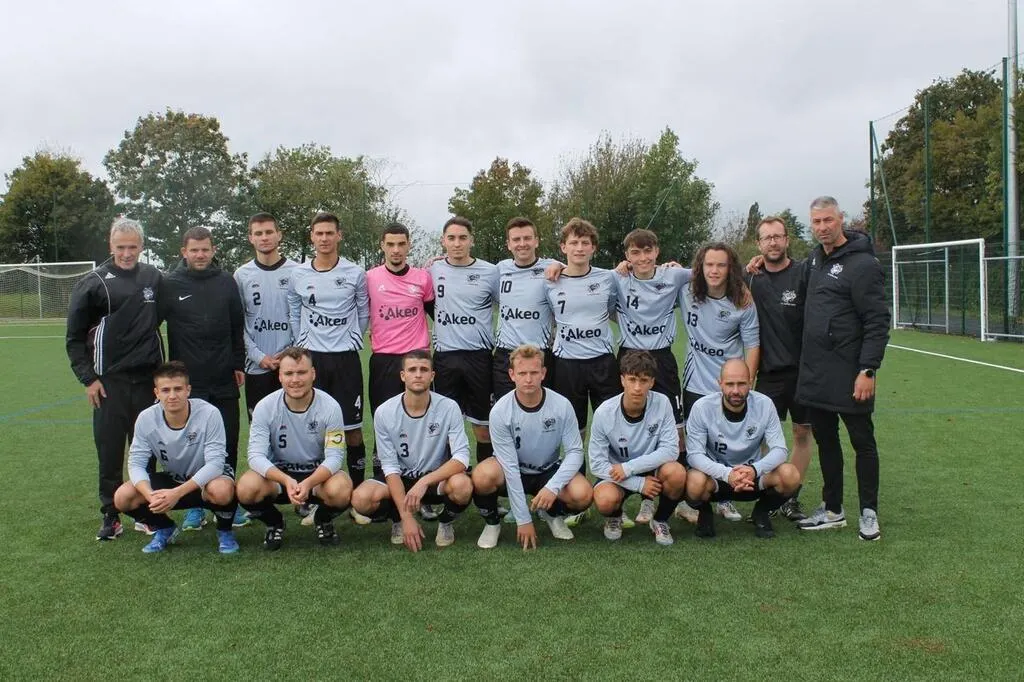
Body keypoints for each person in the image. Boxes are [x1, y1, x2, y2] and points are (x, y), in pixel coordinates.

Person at [795, 196, 889, 541]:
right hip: (817, 372)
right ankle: (833, 509)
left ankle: (869, 512)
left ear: (841, 219)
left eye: (828, 221)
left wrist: (868, 369)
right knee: (826, 442)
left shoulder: (863, 264)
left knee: (862, 442)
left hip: (851, 374)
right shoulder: (814, 261)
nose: (822, 228)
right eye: (816, 222)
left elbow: (877, 321)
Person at [66, 217, 163, 541]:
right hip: (109, 383)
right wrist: (88, 379)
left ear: (141, 247)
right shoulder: (93, 283)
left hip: (148, 380)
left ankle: (145, 511)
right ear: (110, 246)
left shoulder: (152, 277)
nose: (126, 253)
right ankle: (111, 514)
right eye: (120, 247)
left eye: (132, 247)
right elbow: (74, 338)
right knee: (109, 451)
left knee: (146, 449)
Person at [159, 225, 246, 530]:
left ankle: (229, 503)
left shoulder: (226, 282)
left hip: (223, 376)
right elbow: (151, 325)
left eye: (205, 249)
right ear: (184, 252)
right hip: (188, 383)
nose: (200, 255)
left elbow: (238, 326)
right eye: (194, 250)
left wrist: (238, 364)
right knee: (194, 445)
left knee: (227, 441)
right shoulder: (170, 284)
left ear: (213, 250)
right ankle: (196, 504)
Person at [287, 212, 370, 521]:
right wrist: (301, 342)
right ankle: (315, 498)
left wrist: (351, 337)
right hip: (314, 360)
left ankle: (358, 498)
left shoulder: (354, 272)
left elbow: (363, 310)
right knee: (314, 432)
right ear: (312, 237)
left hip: (346, 360)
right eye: (318, 233)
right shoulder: (298, 274)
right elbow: (294, 309)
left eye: (329, 233)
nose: (324, 238)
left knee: (352, 431)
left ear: (339, 235)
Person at [350, 350, 474, 552]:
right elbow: (389, 467)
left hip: (434, 479)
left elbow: (461, 458)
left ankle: (445, 522)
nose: (418, 374)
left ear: (432, 375)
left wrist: (425, 481)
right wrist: (407, 517)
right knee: (361, 499)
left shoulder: (449, 407)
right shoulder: (385, 412)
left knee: (462, 486)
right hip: (401, 478)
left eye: (424, 370)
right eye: (412, 370)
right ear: (403, 375)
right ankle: (398, 519)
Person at [473, 344, 593, 549]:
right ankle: (492, 524)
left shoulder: (561, 405)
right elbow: (509, 467)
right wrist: (523, 520)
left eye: (534, 372)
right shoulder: (501, 410)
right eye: (522, 373)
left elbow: (575, 452)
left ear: (543, 373)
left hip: (547, 470)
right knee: (482, 475)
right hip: (512, 470)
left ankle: (551, 513)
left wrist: (552, 487)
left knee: (582, 494)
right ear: (512, 374)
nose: (528, 379)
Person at [113, 362, 240, 554]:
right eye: (165, 390)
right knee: (123, 497)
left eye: (178, 389)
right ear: (156, 393)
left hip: (209, 481)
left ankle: (224, 531)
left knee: (221, 490)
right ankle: (164, 528)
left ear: (188, 390)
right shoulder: (146, 418)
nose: (172, 396)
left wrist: (177, 494)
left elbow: (215, 464)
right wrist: (150, 495)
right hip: (174, 478)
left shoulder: (209, 413)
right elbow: (136, 462)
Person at [676, 241, 760, 525]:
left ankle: (724, 498)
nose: (714, 270)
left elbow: (753, 344)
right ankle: (693, 502)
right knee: (693, 443)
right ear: (700, 267)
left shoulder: (742, 300)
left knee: (726, 442)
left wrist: (747, 381)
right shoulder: (687, 291)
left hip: (729, 384)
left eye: (721, 265)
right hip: (694, 380)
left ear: (730, 268)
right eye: (708, 264)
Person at [236, 347, 353, 550]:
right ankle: (275, 522)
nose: (295, 379)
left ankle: (323, 519)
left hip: (317, 478)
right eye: (289, 373)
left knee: (341, 489)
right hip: (279, 478)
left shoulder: (330, 406)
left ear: (313, 374)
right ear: (280, 376)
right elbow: (255, 456)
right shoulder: (265, 407)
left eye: (302, 372)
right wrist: (286, 480)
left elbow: (335, 457)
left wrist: (308, 483)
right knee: (246, 488)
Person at [613, 229, 692, 524]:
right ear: (627, 256)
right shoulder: (618, 278)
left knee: (676, 428)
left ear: (657, 251)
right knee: (629, 429)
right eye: (635, 252)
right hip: (629, 356)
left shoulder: (674, 275)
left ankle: (679, 498)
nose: (643, 258)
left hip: (662, 357)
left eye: (648, 251)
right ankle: (641, 500)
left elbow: (714, 270)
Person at [684, 359, 801, 539]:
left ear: (751, 382)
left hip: (751, 477)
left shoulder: (765, 404)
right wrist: (727, 474)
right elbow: (694, 456)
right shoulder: (702, 408)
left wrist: (754, 470)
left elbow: (780, 449)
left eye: (741, 384)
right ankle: (705, 514)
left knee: (790, 475)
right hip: (717, 478)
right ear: (720, 383)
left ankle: (761, 512)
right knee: (693, 481)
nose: (736, 391)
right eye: (730, 384)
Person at [746, 216, 813, 521]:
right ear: (759, 244)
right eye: (766, 238)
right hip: (768, 374)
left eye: (777, 236)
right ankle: (769, 494)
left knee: (801, 433)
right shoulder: (752, 278)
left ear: (787, 239)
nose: (772, 242)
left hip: (803, 372)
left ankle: (791, 497)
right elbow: (710, 272)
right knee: (760, 436)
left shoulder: (804, 274)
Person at [588, 351, 687, 546]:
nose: (637, 387)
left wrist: (630, 468)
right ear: (622, 380)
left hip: (642, 469)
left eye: (643, 380)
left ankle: (660, 520)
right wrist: (638, 483)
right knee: (604, 499)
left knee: (677, 473)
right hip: (617, 473)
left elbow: (671, 450)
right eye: (632, 379)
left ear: (651, 382)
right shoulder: (604, 413)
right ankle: (615, 517)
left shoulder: (662, 403)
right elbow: (596, 464)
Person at [428, 217, 499, 465]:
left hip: (479, 357)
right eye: (451, 238)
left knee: (484, 429)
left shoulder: (491, 272)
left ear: (471, 240)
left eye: (462, 238)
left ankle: (484, 496)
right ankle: (449, 489)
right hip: (445, 358)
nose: (457, 243)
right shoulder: (432, 270)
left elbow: (512, 302)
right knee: (446, 428)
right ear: (443, 241)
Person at [234, 213, 297, 420]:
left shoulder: (297, 272)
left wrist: (290, 352)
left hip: (292, 365)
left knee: (294, 425)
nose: (264, 237)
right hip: (256, 365)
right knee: (260, 428)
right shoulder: (241, 275)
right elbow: (237, 323)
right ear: (250, 238)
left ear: (279, 235)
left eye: (269, 232)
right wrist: (258, 356)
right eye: (258, 233)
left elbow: (303, 318)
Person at [492, 217, 557, 400]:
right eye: (516, 239)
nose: (522, 244)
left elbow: (581, 271)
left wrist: (625, 266)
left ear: (536, 241)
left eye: (527, 238)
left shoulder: (552, 268)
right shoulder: (499, 270)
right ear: (508, 244)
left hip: (540, 353)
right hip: (506, 354)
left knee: (543, 413)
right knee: (504, 412)